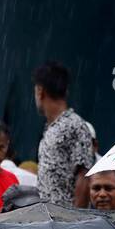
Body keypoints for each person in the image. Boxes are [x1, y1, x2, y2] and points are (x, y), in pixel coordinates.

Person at [34, 60, 94, 207]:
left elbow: (84, 175)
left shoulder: (74, 125)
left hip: (64, 221)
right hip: (48, 218)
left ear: (40, 91)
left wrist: (75, 221)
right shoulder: (51, 127)